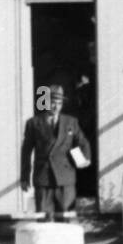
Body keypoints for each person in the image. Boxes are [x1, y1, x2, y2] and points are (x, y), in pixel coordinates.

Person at [20, 84, 92, 215]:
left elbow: (83, 143)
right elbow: (26, 152)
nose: (56, 107)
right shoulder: (33, 123)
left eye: (59, 103)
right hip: (43, 178)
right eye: (52, 103)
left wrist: (86, 158)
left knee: (66, 218)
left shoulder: (71, 122)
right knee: (43, 219)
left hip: (65, 178)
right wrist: (24, 177)